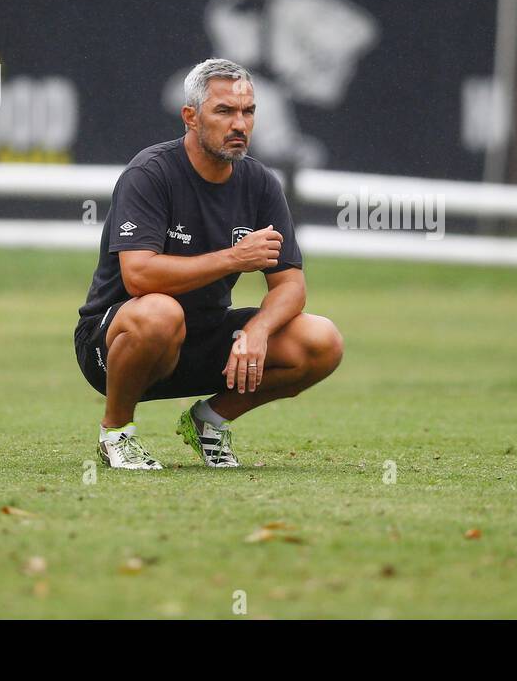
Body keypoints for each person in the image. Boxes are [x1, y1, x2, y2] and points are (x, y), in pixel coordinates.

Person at [74, 58, 343, 470]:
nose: (240, 124)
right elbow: (139, 274)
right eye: (224, 111)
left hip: (204, 340)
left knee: (321, 341)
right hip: (116, 344)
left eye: (248, 112)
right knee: (161, 312)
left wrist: (257, 331)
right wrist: (233, 259)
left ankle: (209, 421)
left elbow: (291, 287)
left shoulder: (260, 183)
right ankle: (116, 433)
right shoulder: (151, 173)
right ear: (191, 117)